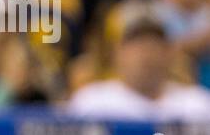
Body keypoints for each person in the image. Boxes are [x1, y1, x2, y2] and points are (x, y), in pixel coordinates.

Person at [67, 15, 210, 120]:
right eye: (138, 46)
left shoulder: (197, 104)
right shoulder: (92, 103)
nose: (146, 55)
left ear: (169, 54)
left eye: (154, 46)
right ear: (118, 54)